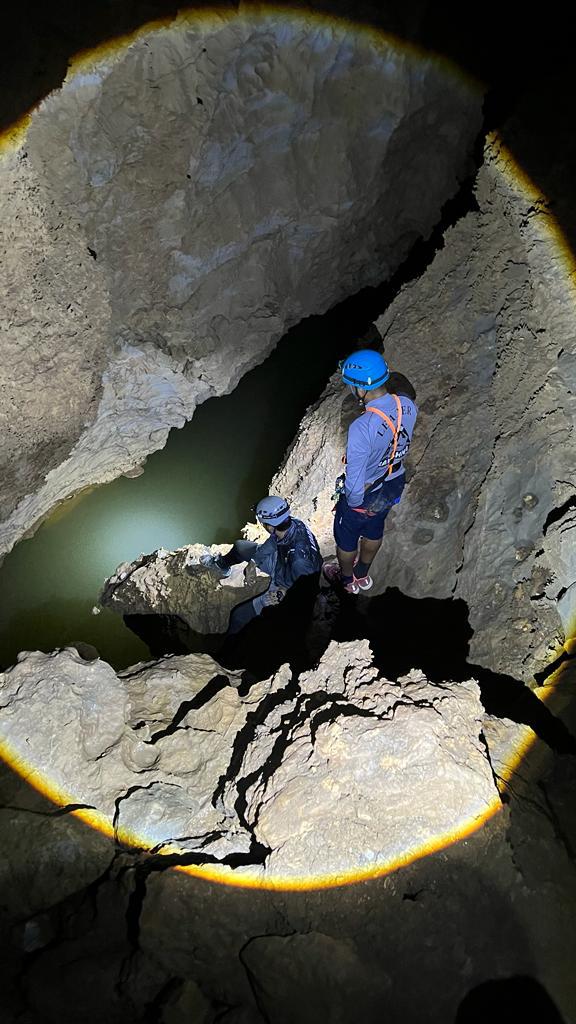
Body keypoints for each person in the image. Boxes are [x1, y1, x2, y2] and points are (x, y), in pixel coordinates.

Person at [323, 349, 418, 595]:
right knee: (375, 527)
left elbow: (354, 482)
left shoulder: (362, 428)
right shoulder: (406, 404)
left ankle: (346, 579)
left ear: (360, 388)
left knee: (346, 539)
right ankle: (363, 574)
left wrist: (352, 504)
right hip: (394, 483)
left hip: (366, 493)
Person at [202, 496, 323, 634]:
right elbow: (273, 542)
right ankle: (222, 565)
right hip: (281, 562)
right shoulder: (292, 523)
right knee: (241, 547)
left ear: (270, 527)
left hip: (288, 583)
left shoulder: (300, 561)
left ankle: (230, 652)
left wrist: (284, 593)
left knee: (239, 616)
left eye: (263, 523)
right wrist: (253, 563)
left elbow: (308, 593)